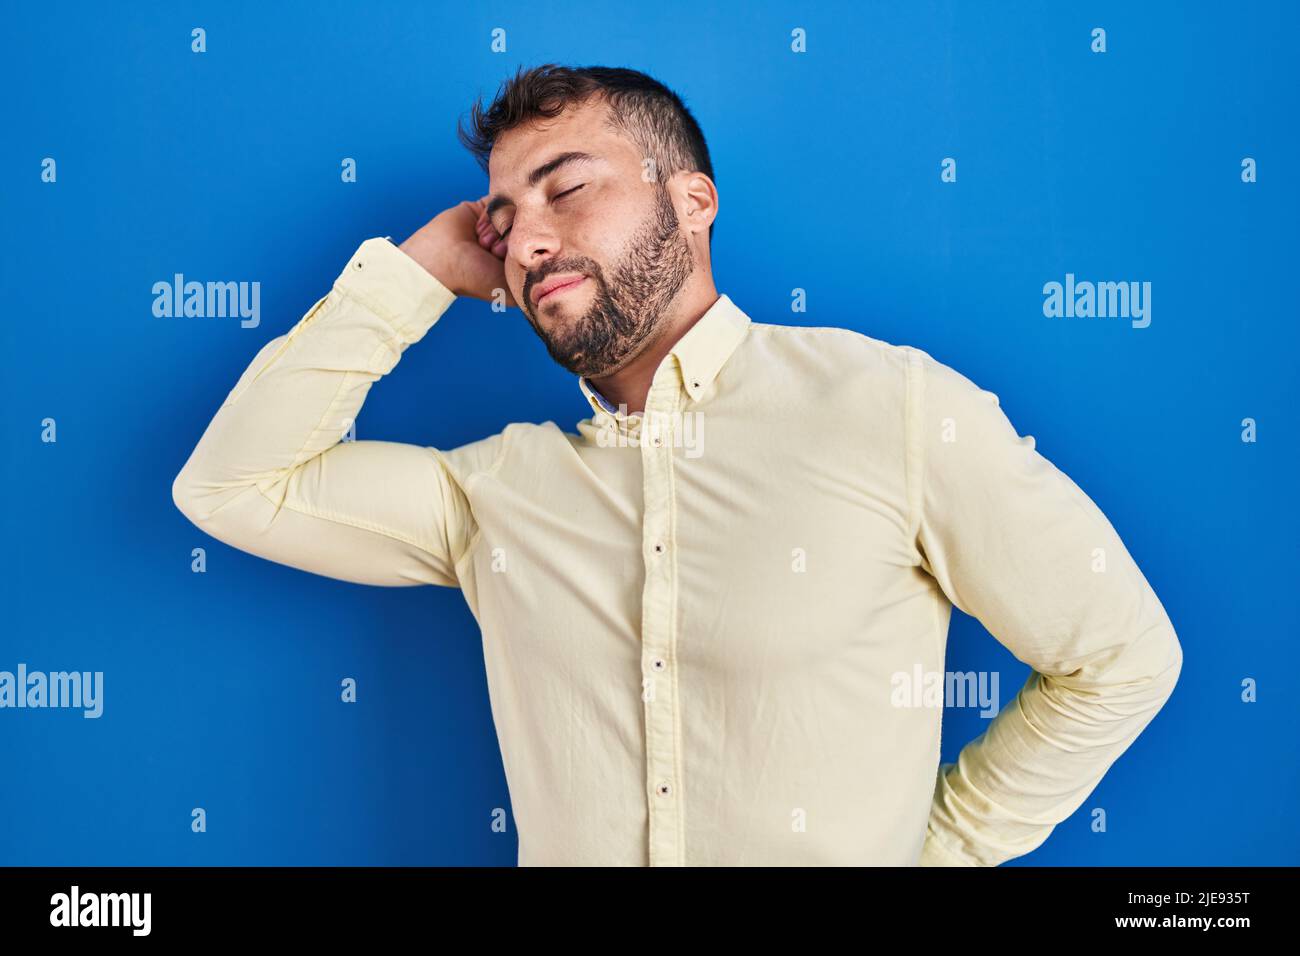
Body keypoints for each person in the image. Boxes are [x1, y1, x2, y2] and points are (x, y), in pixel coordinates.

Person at [172, 63, 1182, 866]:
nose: (527, 238)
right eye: (502, 220)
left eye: (566, 187)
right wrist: (418, 270)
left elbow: (1120, 655)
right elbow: (231, 487)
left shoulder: (890, 406)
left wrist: (941, 852)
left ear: (693, 200)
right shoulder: (495, 492)